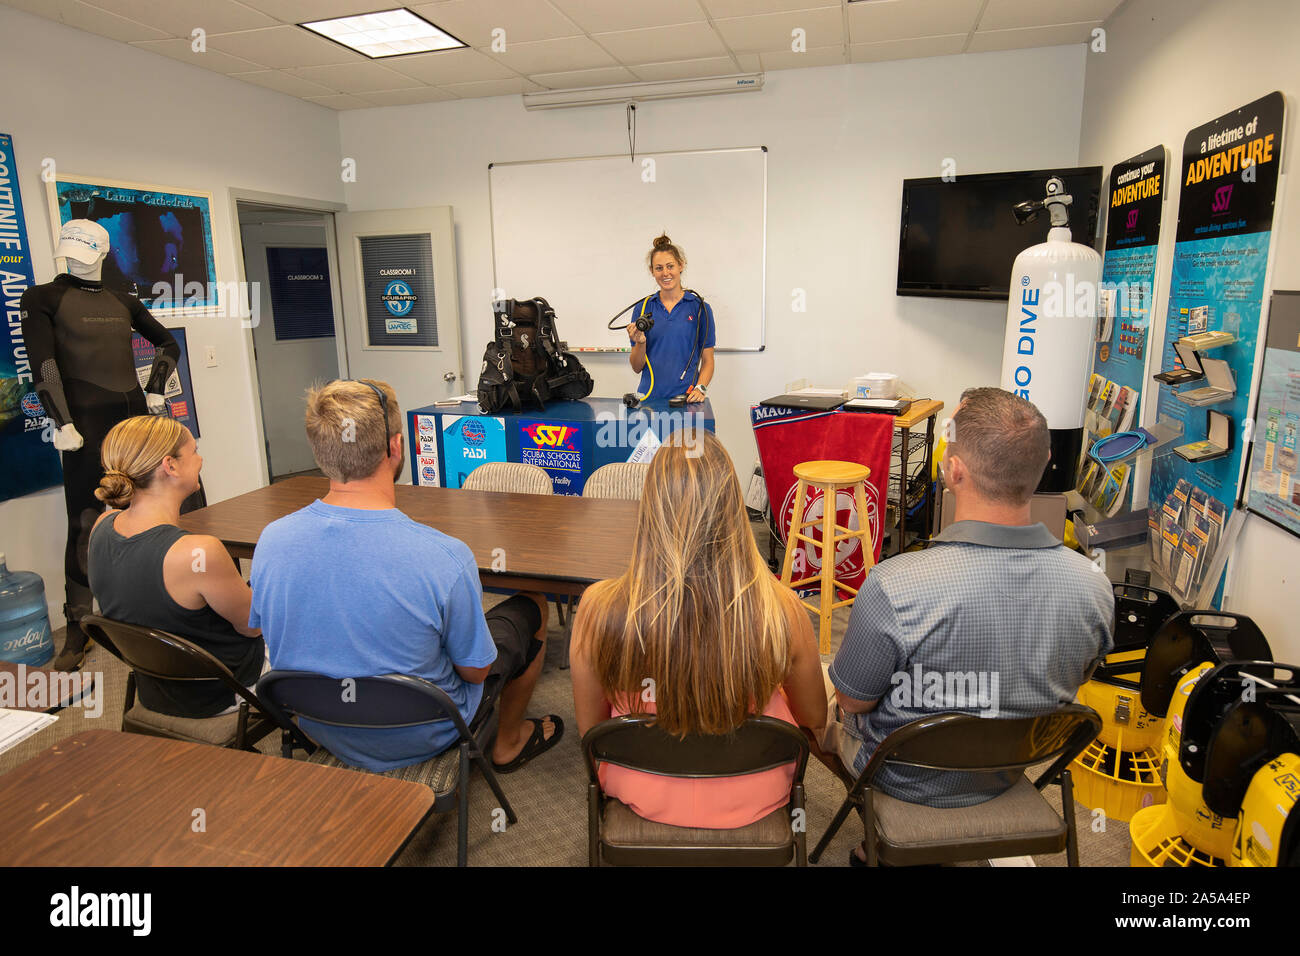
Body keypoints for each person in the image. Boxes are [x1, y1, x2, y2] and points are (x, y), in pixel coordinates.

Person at [825, 388, 1113, 858]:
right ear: (1041, 465)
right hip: (1011, 770)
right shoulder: (1094, 586)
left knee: (822, 689)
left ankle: (878, 835)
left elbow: (853, 701)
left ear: (954, 471)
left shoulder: (894, 584)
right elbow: (1075, 678)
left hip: (905, 778)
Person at [249, 379, 562, 773]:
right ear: (395, 448)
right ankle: (509, 742)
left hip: (319, 726)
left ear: (320, 450)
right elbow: (475, 671)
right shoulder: (445, 556)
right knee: (533, 604)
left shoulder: (271, 542)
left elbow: (270, 636)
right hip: (428, 730)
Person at [571, 428, 826, 828]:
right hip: (755, 785)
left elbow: (591, 731)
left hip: (639, 783)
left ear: (650, 507)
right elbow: (814, 720)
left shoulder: (597, 608)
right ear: (733, 508)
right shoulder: (782, 610)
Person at [22, 220, 184, 671]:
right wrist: (63, 421)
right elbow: (45, 365)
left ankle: (163, 603)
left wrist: (156, 388)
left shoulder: (122, 299)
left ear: (101, 251)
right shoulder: (42, 298)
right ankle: (78, 627)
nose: (75, 258)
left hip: (133, 421)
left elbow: (167, 342)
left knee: (152, 513)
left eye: (83, 251)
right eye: (70, 251)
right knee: (85, 522)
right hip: (84, 430)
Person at [87, 416, 264, 718]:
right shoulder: (197, 552)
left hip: (154, 689)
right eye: (194, 451)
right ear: (170, 466)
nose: (201, 459)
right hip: (220, 691)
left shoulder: (101, 527)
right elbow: (253, 626)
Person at [627, 234, 715, 403]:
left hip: (685, 400)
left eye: (670, 266)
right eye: (659, 268)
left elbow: (708, 360)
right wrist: (640, 342)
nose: (665, 273)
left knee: (686, 432)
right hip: (648, 399)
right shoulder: (643, 308)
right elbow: (637, 367)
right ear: (652, 271)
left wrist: (701, 388)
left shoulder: (700, 309)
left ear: (681, 266)